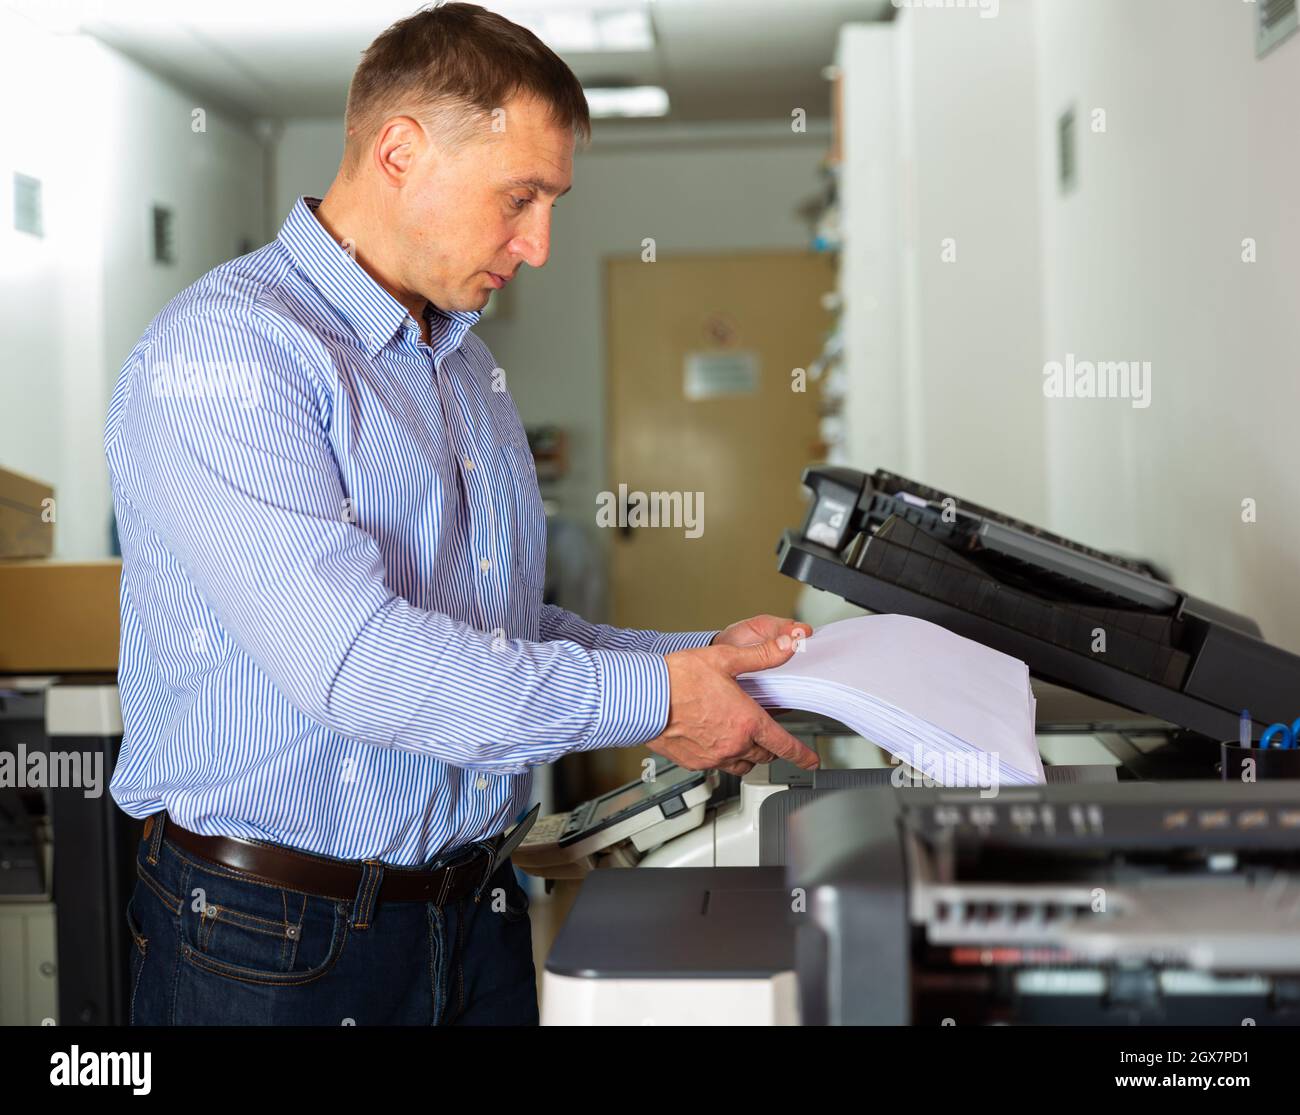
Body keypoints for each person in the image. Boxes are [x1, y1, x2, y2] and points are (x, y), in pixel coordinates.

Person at [104, 1, 818, 1026]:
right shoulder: (230, 357)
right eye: (520, 196)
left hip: (471, 913)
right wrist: (656, 697)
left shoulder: (461, 362)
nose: (536, 245)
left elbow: (499, 631)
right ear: (400, 150)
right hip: (271, 941)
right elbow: (359, 662)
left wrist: (701, 659)